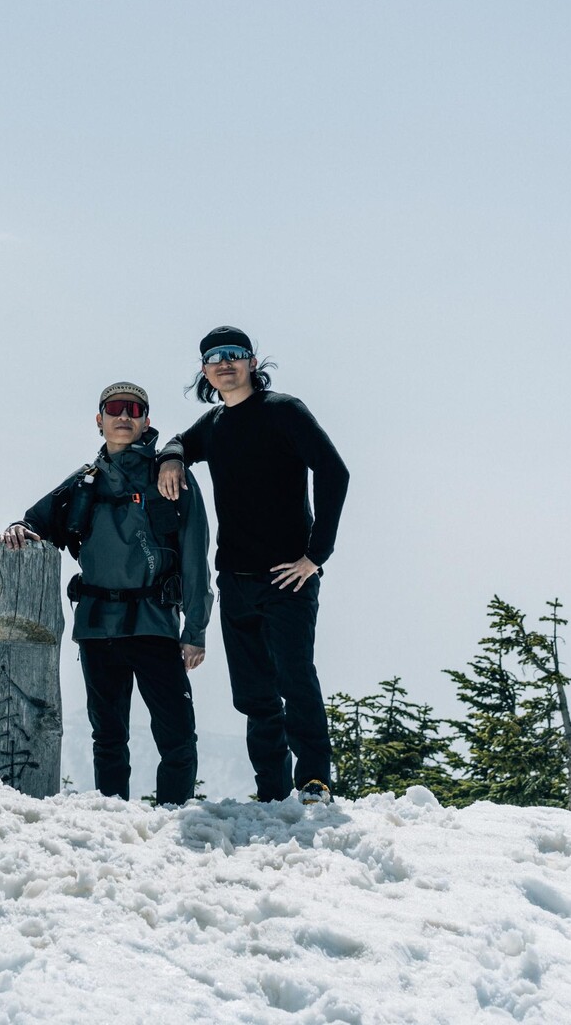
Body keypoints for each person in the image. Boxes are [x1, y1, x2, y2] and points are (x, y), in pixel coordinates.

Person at [156, 326, 349, 805]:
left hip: (288, 576)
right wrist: (173, 457)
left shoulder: (283, 411)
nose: (225, 363)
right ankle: (270, 791)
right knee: (254, 694)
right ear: (205, 371)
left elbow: (334, 471)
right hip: (235, 581)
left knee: (296, 678)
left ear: (252, 362)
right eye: (215, 358)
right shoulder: (216, 423)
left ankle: (313, 782)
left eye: (235, 355)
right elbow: (179, 440)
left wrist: (315, 556)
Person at [2, 382, 212, 806]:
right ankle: (112, 818)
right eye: (114, 408)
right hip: (98, 627)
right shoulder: (83, 483)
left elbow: (195, 555)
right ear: (99, 420)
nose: (124, 416)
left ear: (146, 420)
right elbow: (34, 521)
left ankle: (174, 815)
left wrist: (196, 628)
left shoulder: (171, 476)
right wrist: (19, 528)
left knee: (176, 734)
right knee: (108, 735)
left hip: (155, 624)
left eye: (134, 409)